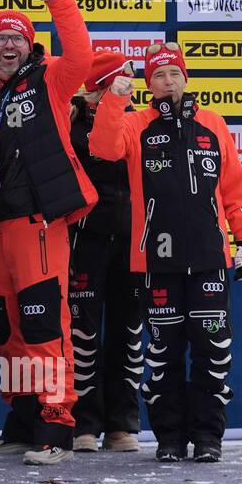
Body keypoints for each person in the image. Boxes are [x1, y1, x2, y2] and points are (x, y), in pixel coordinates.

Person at [90, 43, 242, 463]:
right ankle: (169, 437)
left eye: (174, 73)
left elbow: (234, 188)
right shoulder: (136, 124)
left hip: (209, 259)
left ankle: (209, 437)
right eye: (158, 75)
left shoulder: (212, 124)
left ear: (186, 78)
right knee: (163, 355)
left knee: (212, 352)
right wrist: (116, 96)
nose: (168, 81)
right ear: (148, 85)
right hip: (156, 263)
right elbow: (104, 147)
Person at [0, 0, 96, 466]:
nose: (8, 45)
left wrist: (57, 1)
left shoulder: (51, 78)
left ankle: (57, 426)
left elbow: (82, 55)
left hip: (38, 220)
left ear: (30, 45)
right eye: (1, 38)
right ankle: (22, 421)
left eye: (17, 38)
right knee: (6, 331)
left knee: (45, 326)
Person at [68, 50, 142, 453]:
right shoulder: (73, 120)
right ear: (103, 83)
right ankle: (84, 424)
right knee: (84, 334)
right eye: (122, 78)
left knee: (127, 332)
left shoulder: (138, 121)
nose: (129, 85)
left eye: (131, 79)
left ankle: (121, 425)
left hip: (132, 241)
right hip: (85, 238)